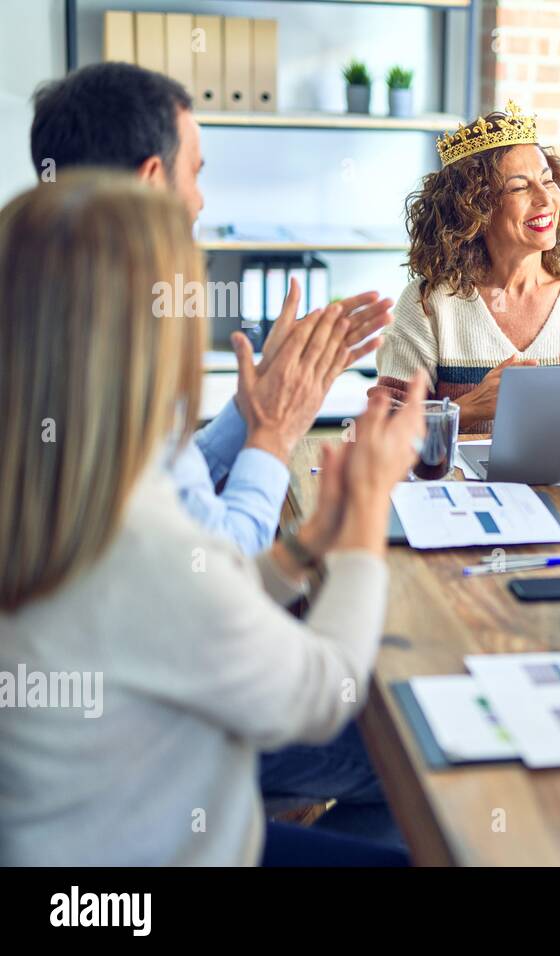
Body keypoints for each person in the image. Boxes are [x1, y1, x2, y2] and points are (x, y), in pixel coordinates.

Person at [0, 173, 428, 865]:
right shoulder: (137, 535)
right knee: (414, 755)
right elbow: (326, 691)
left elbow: (166, 608)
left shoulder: (60, 489)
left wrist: (297, 554)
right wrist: (368, 515)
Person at [29, 61, 393, 555]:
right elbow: (222, 556)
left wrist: (253, 405)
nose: (200, 203)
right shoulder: (112, 350)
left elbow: (174, 485)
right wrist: (273, 433)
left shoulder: (52, 310)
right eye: (195, 175)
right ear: (152, 180)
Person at [371, 101, 560, 429]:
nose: (545, 198)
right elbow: (382, 431)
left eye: (547, 180)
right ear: (475, 211)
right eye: (520, 187)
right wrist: (469, 407)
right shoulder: (427, 306)